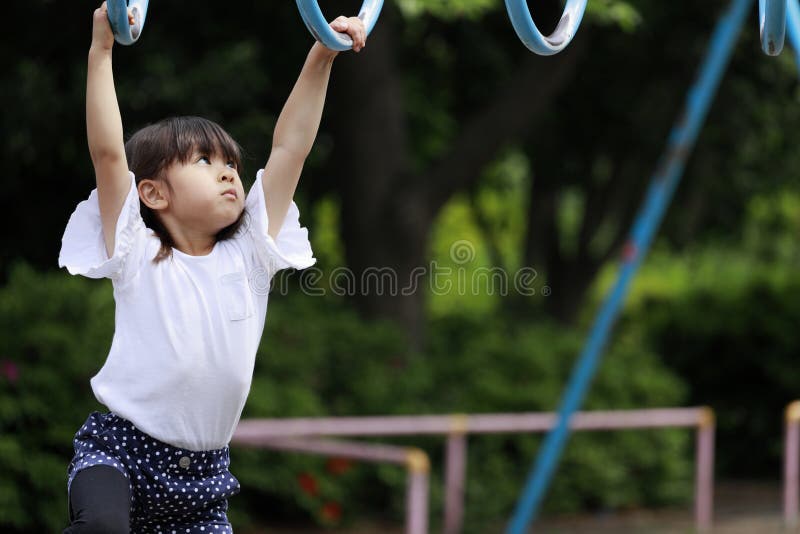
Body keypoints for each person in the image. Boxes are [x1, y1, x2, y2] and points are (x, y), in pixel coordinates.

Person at [58, 3, 367, 532]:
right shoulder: (134, 249)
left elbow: (291, 146)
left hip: (202, 481)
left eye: (231, 165)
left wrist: (323, 53)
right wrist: (102, 49)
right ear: (152, 192)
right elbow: (109, 155)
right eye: (205, 161)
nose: (227, 173)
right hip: (121, 455)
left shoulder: (249, 254)